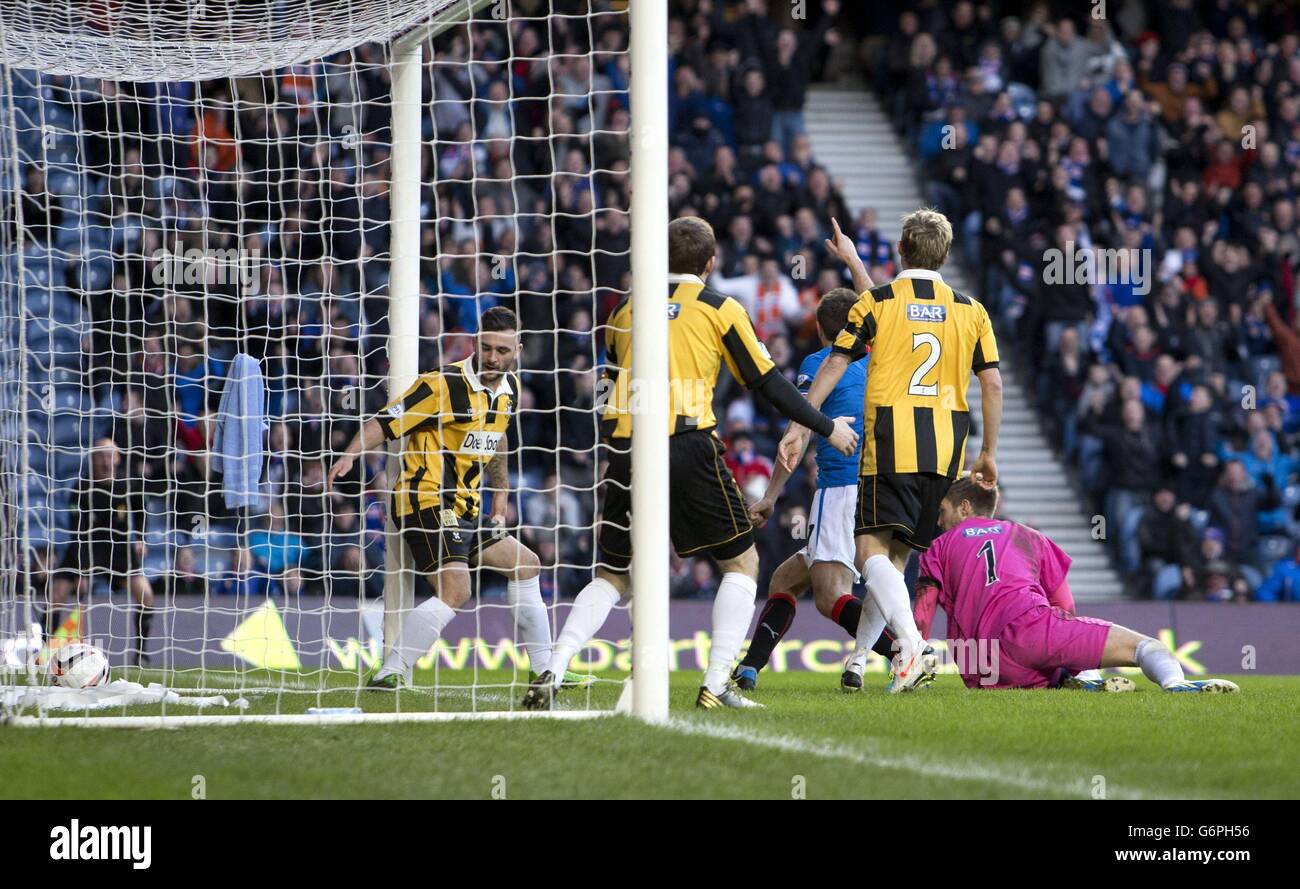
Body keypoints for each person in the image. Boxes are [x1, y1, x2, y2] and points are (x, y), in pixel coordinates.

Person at [523, 216, 858, 710]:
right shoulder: (719, 308)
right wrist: (826, 426)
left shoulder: (625, 309)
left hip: (624, 446)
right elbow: (766, 383)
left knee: (614, 574)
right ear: (710, 262)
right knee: (741, 562)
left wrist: (607, 436)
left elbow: (603, 385)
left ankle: (555, 662)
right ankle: (717, 682)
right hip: (685, 442)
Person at [778, 209, 1003, 692]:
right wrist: (989, 452)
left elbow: (837, 362)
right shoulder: (973, 310)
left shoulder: (878, 303)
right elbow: (993, 383)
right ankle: (860, 660)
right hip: (946, 450)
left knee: (869, 552)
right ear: (944, 254)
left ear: (901, 249)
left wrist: (802, 423)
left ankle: (914, 647)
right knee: (895, 562)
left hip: (890, 446)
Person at [327, 307, 569, 688]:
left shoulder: (510, 391)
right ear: (475, 342)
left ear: (518, 350)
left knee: (526, 564)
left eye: (503, 351)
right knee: (457, 590)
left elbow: (499, 438)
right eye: (487, 348)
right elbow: (386, 420)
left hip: (466, 507)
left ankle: (546, 673)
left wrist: (501, 495)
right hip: (425, 500)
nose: (493, 358)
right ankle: (391, 672)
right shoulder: (441, 383)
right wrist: (349, 454)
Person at [913, 478, 1240, 693]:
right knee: (1148, 648)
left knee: (1046, 674)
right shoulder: (1026, 535)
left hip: (979, 664)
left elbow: (922, 616)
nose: (939, 522)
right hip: (1032, 632)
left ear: (965, 507)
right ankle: (1174, 685)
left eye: (942, 512)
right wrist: (1067, 646)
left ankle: (1077, 681)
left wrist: (910, 663)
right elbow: (1064, 605)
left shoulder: (938, 547)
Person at [734, 287, 895, 693]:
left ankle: (906, 652)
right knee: (785, 579)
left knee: (829, 596)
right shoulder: (880, 359)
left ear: (821, 330)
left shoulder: (820, 363)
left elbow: (799, 431)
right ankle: (749, 668)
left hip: (839, 489)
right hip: (879, 487)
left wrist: (770, 495)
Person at [48, 438, 155, 665]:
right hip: (86, 545)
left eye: (110, 455)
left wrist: (141, 539)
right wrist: (81, 572)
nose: (105, 461)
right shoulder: (81, 487)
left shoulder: (128, 485)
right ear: (93, 459)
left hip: (119, 547)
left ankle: (141, 654)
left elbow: (142, 513)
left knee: (146, 595)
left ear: (117, 458)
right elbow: (75, 526)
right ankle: (46, 649)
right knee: (56, 593)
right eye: (100, 456)